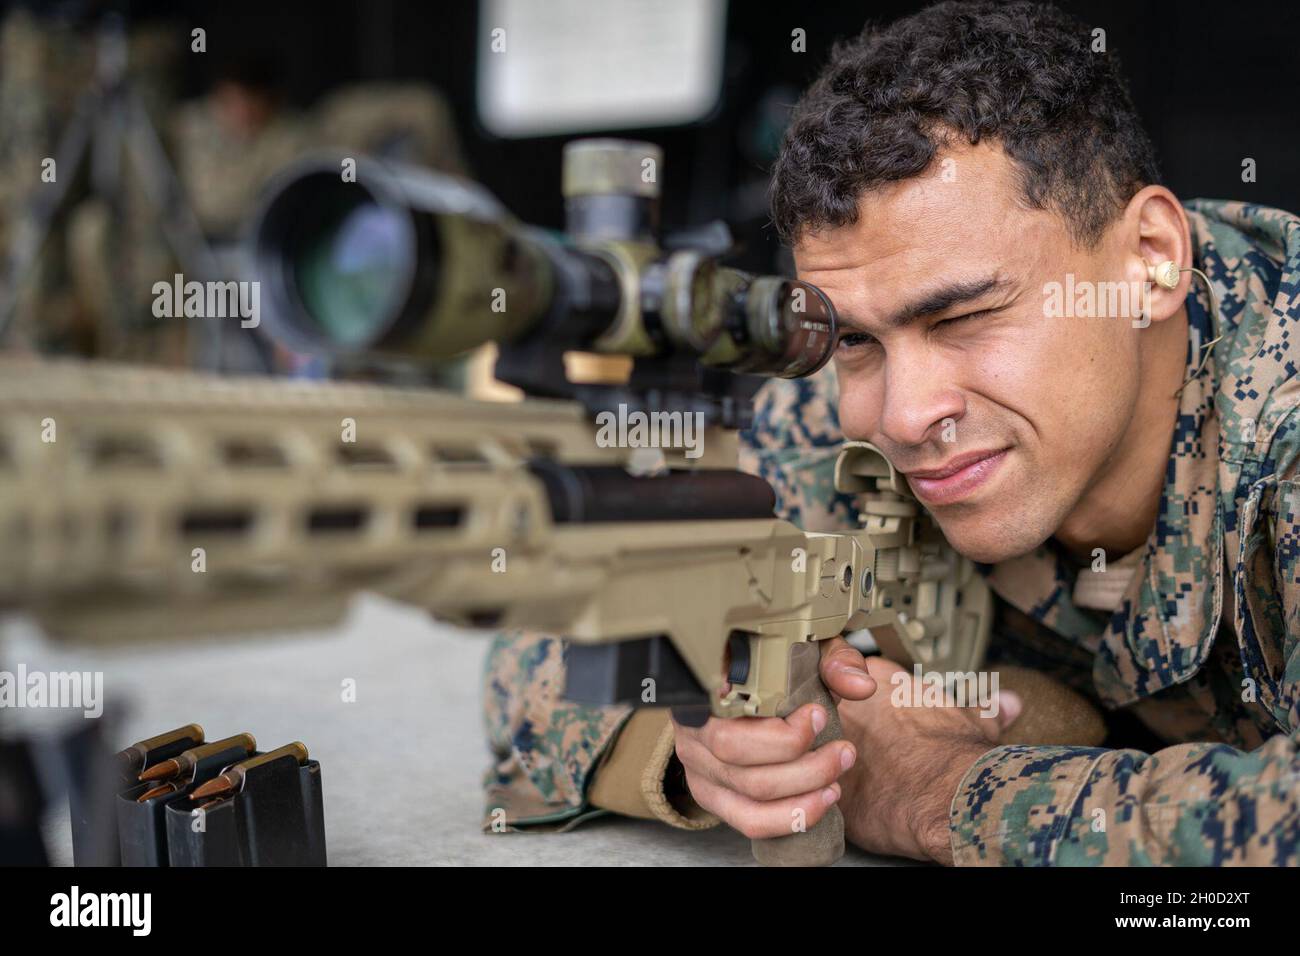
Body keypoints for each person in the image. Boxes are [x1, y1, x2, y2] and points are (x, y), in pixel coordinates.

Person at [482, 1, 1300, 865]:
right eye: (856, 342)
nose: (905, 418)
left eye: (965, 318)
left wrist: (934, 792)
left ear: (1151, 260)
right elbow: (545, 637)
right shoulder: (852, 409)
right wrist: (707, 748)